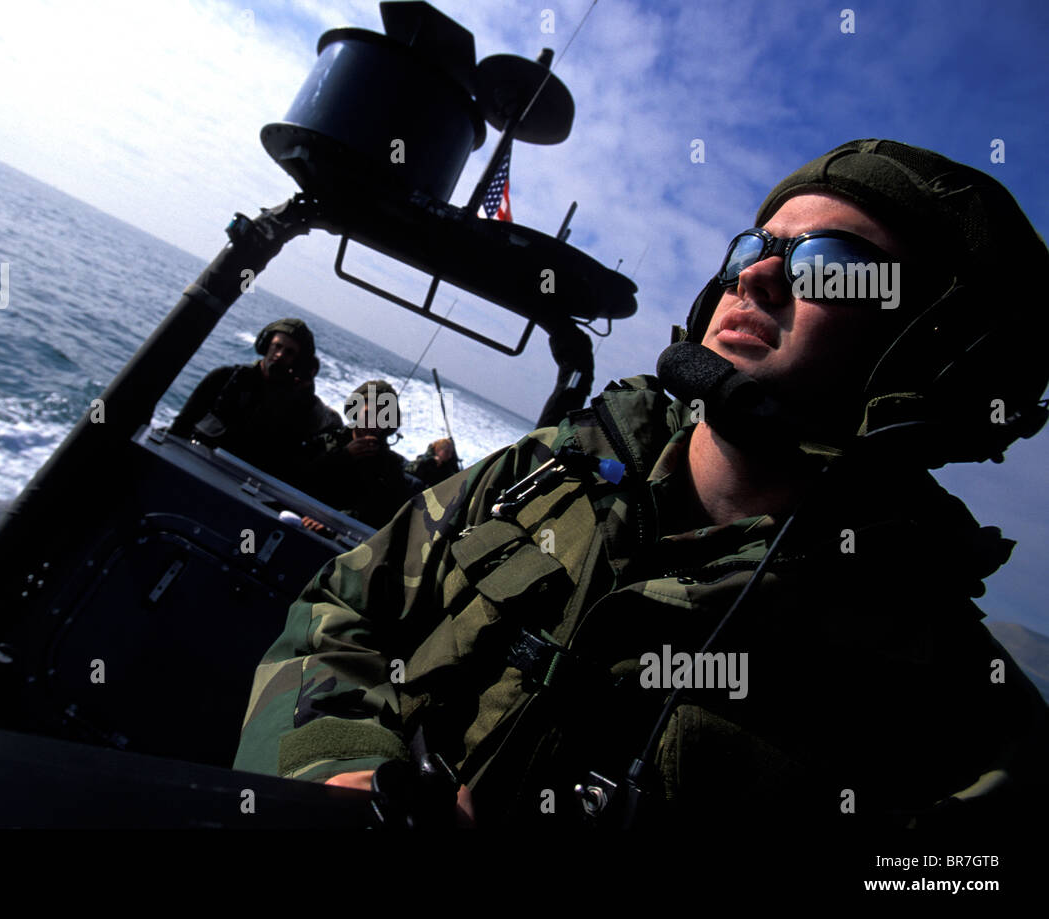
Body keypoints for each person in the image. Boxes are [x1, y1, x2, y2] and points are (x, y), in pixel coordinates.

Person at [232, 140, 1049, 829]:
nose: (758, 277)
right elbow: (339, 608)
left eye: (831, 266)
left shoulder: (964, 722)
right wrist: (336, 772)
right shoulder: (552, 468)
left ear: (929, 354)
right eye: (752, 247)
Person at [168, 318, 338, 484]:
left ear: (298, 360)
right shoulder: (225, 378)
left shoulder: (300, 407)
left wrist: (304, 390)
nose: (279, 355)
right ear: (266, 345)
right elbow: (180, 427)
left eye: (289, 352)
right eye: (277, 346)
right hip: (193, 469)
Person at [300, 380, 421, 531]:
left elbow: (383, 512)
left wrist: (336, 521)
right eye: (369, 414)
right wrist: (344, 457)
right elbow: (301, 477)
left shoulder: (390, 467)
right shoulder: (327, 440)